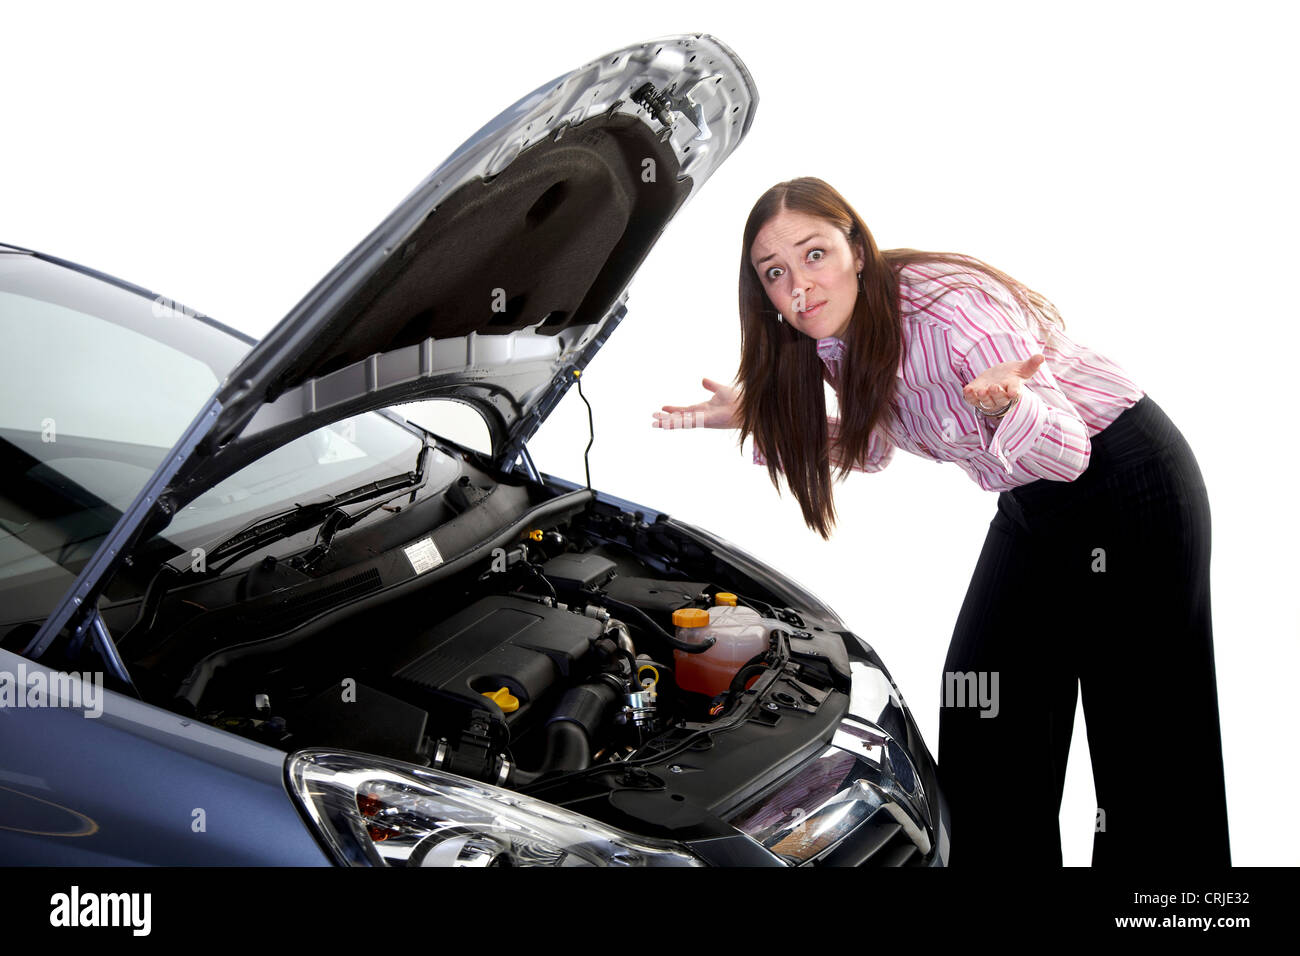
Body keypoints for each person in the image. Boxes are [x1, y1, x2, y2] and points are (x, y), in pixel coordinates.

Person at [651, 176, 1230, 867]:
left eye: (814, 254)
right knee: (985, 703)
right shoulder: (837, 335)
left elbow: (1068, 449)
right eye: (775, 273)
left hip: (1129, 488)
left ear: (856, 249)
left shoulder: (955, 312)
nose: (799, 286)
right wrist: (758, 417)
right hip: (1038, 502)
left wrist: (1004, 407)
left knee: (1148, 743)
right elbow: (875, 443)